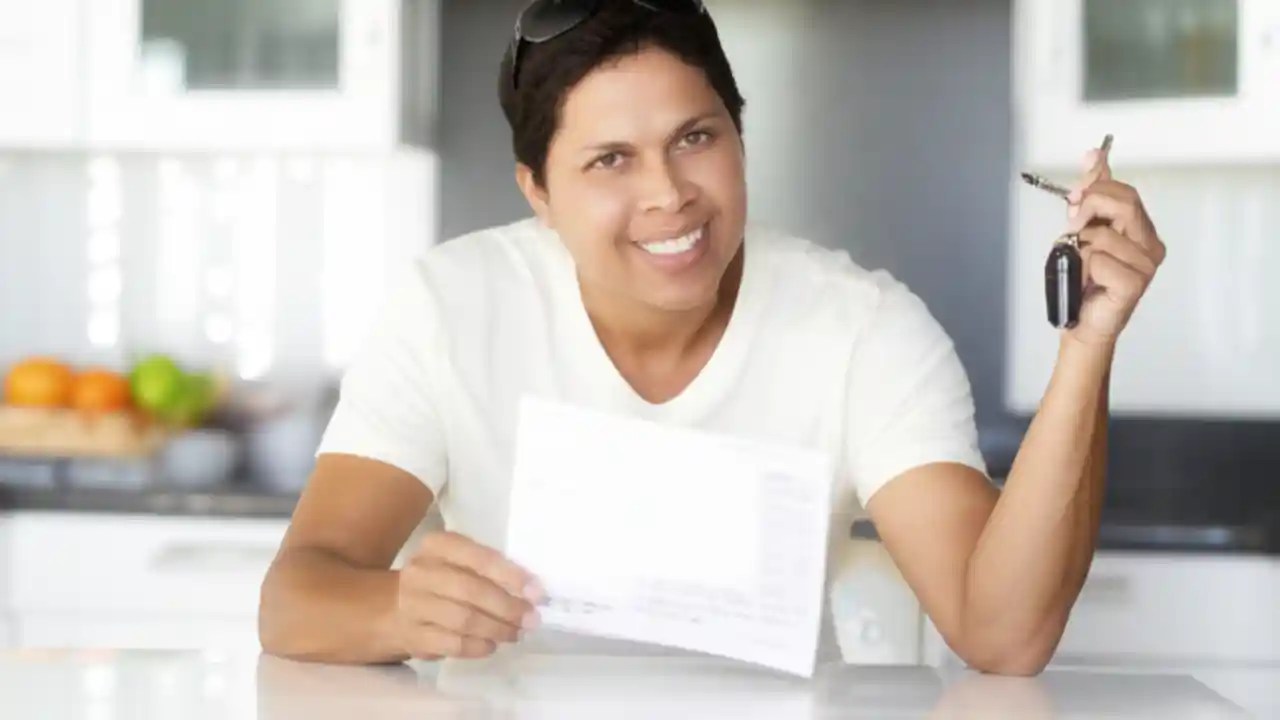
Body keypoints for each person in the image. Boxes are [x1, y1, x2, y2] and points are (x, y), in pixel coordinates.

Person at [259, 0, 1166, 674]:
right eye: (610, 160)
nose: (668, 195)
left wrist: (1086, 347)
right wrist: (395, 609)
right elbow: (296, 597)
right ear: (538, 190)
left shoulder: (863, 330)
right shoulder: (450, 307)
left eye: (695, 138)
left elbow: (1002, 635)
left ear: (739, 135)